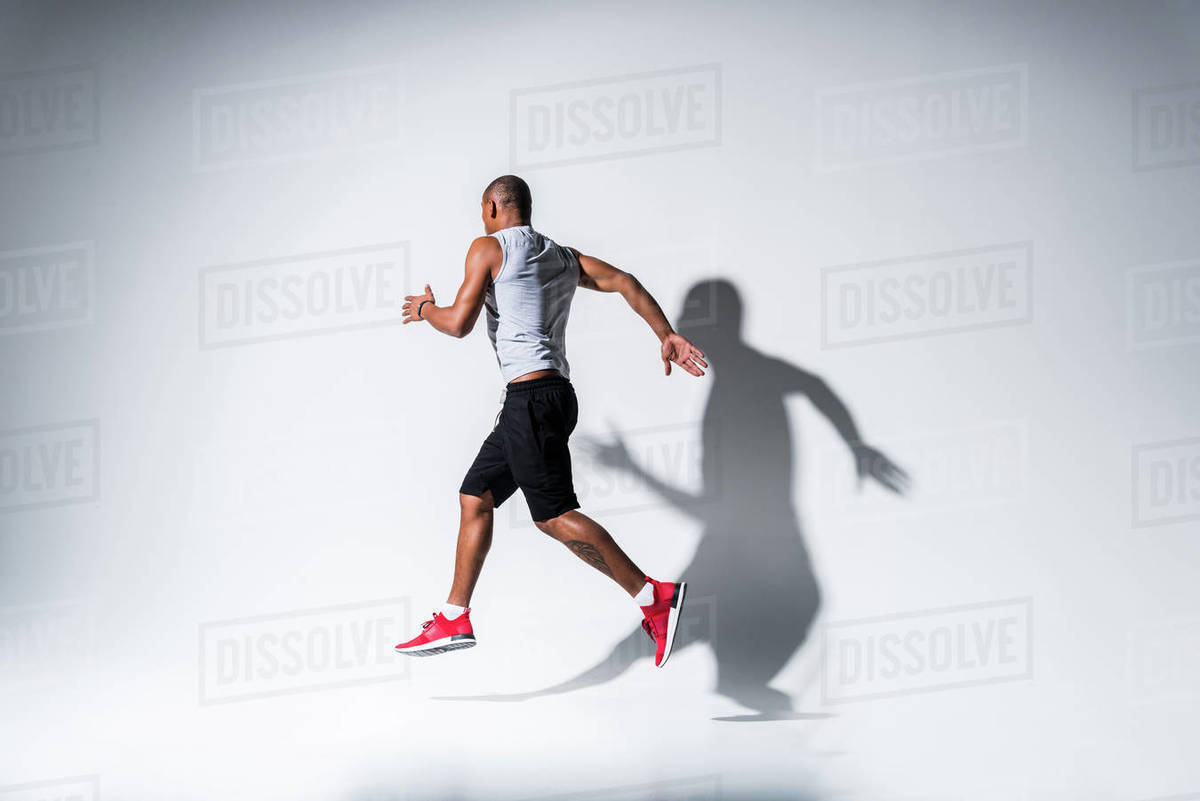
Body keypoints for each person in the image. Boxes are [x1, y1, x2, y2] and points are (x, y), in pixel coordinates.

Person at [393, 175, 707, 668]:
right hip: (552, 396)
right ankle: (454, 615)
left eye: (482, 211)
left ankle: (653, 597)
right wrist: (664, 333)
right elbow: (624, 280)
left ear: (493, 208)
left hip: (530, 400)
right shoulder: (562, 256)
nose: (481, 220)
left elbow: (458, 323)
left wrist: (425, 308)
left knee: (553, 515)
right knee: (475, 496)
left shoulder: (487, 248)